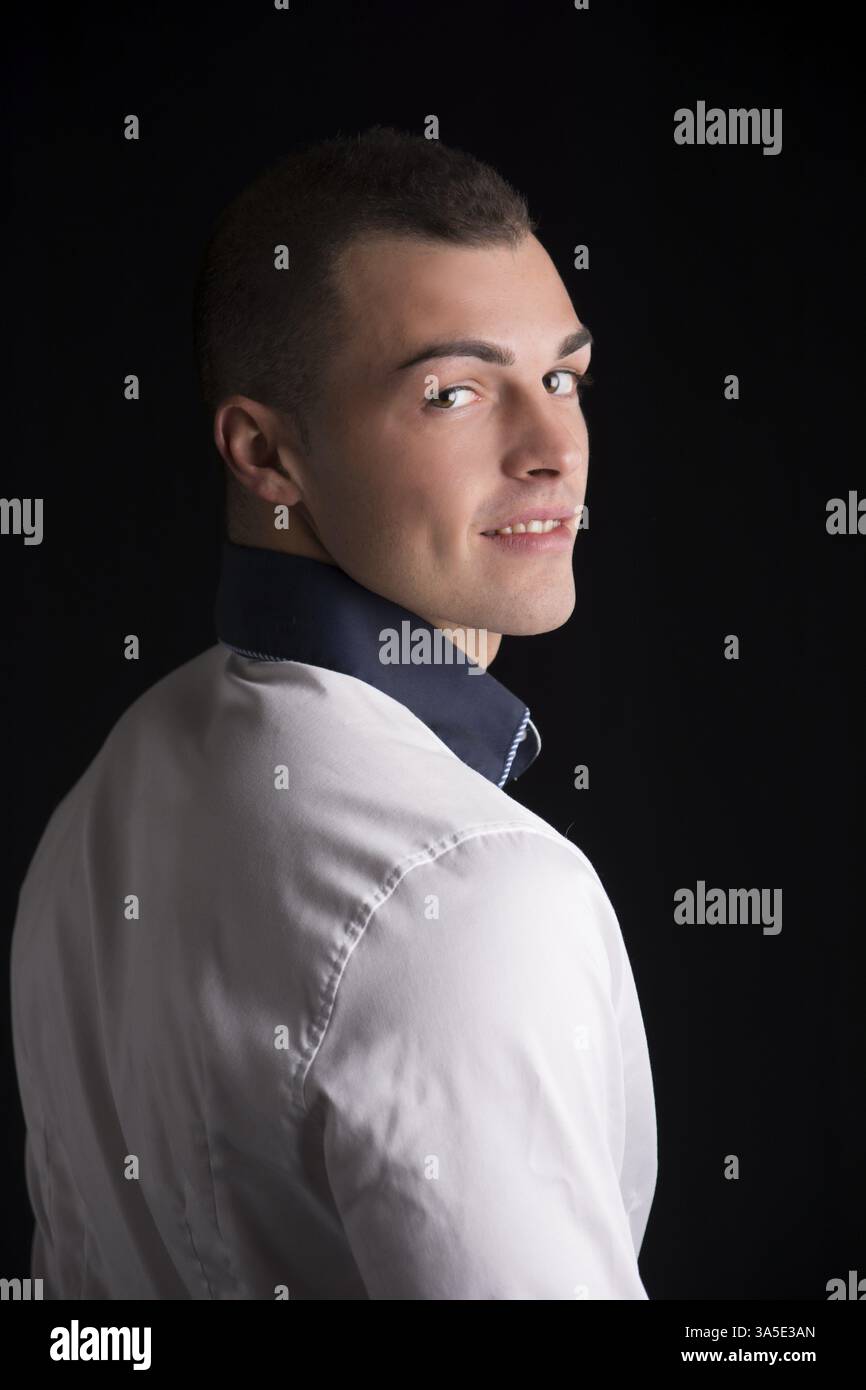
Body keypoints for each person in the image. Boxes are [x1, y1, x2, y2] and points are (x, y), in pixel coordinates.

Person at [10, 125, 657, 1299]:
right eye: (454, 391)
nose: (554, 447)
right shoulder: (479, 893)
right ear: (265, 452)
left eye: (560, 376)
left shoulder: (109, 789)